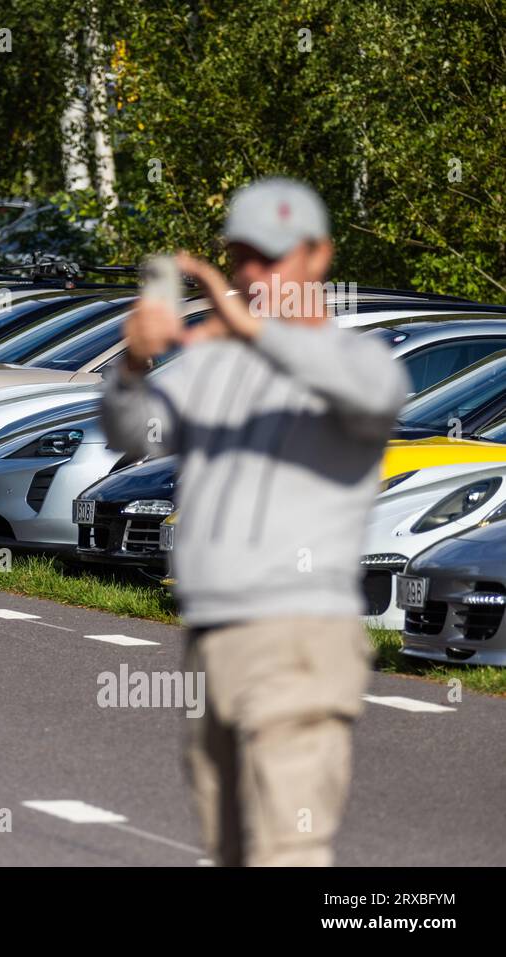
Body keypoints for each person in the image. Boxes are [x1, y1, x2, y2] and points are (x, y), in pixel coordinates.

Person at [100, 177, 409, 866]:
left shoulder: (352, 358)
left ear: (318, 257)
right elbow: (133, 432)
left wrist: (250, 328)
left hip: (298, 634)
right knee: (231, 848)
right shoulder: (213, 362)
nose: (252, 273)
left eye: (271, 257)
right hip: (213, 637)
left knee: (287, 848)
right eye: (242, 256)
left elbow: (376, 397)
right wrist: (131, 363)